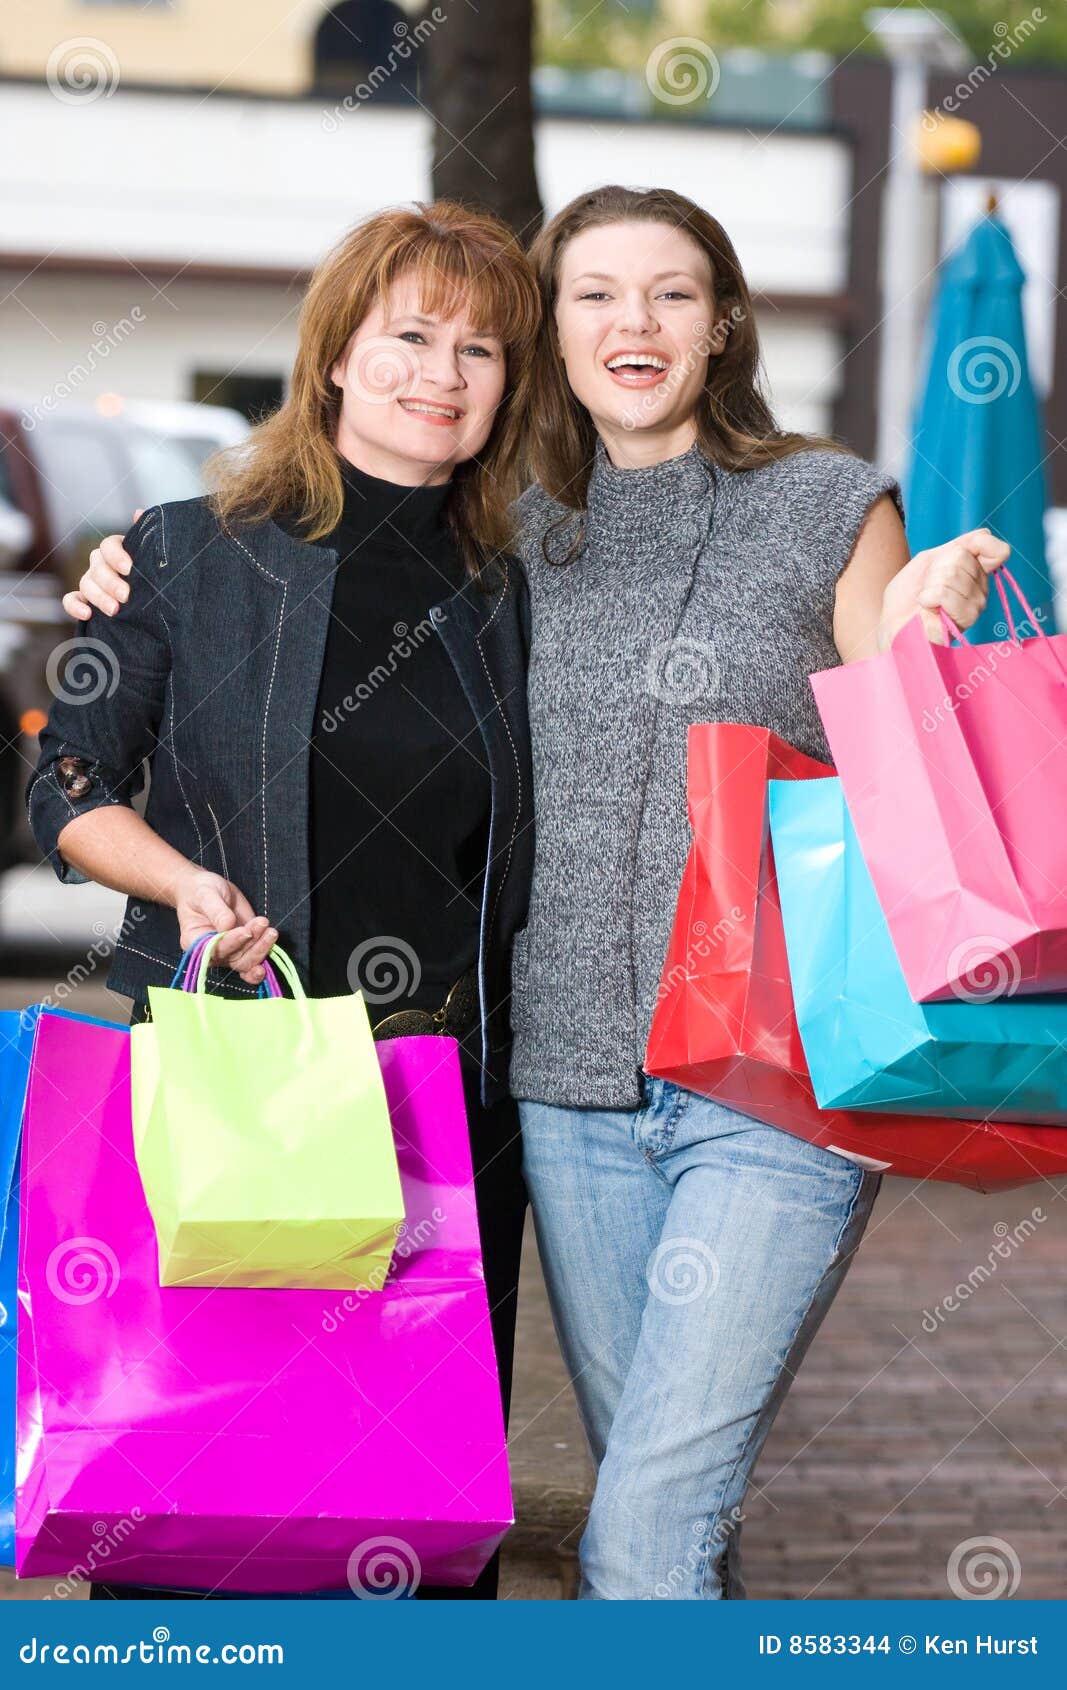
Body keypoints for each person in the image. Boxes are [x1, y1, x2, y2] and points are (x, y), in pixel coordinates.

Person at [64, 185, 1004, 1602]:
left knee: (643, 1529)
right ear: (549, 336)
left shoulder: (817, 503)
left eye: (674, 294)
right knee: (658, 1502)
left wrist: (927, 616)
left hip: (766, 1078)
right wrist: (125, 574)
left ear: (724, 322)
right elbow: (139, 717)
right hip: (557, 1096)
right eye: (595, 295)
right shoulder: (514, 540)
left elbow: (889, 709)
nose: (635, 322)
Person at [32, 200, 540, 1602]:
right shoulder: (188, 549)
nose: (443, 372)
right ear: (334, 355)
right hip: (227, 1086)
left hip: (436, 1111)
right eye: (411, 335)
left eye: (482, 349)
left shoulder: (517, 584)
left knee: (413, 1518)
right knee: (197, 1494)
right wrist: (184, 881)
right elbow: (66, 789)